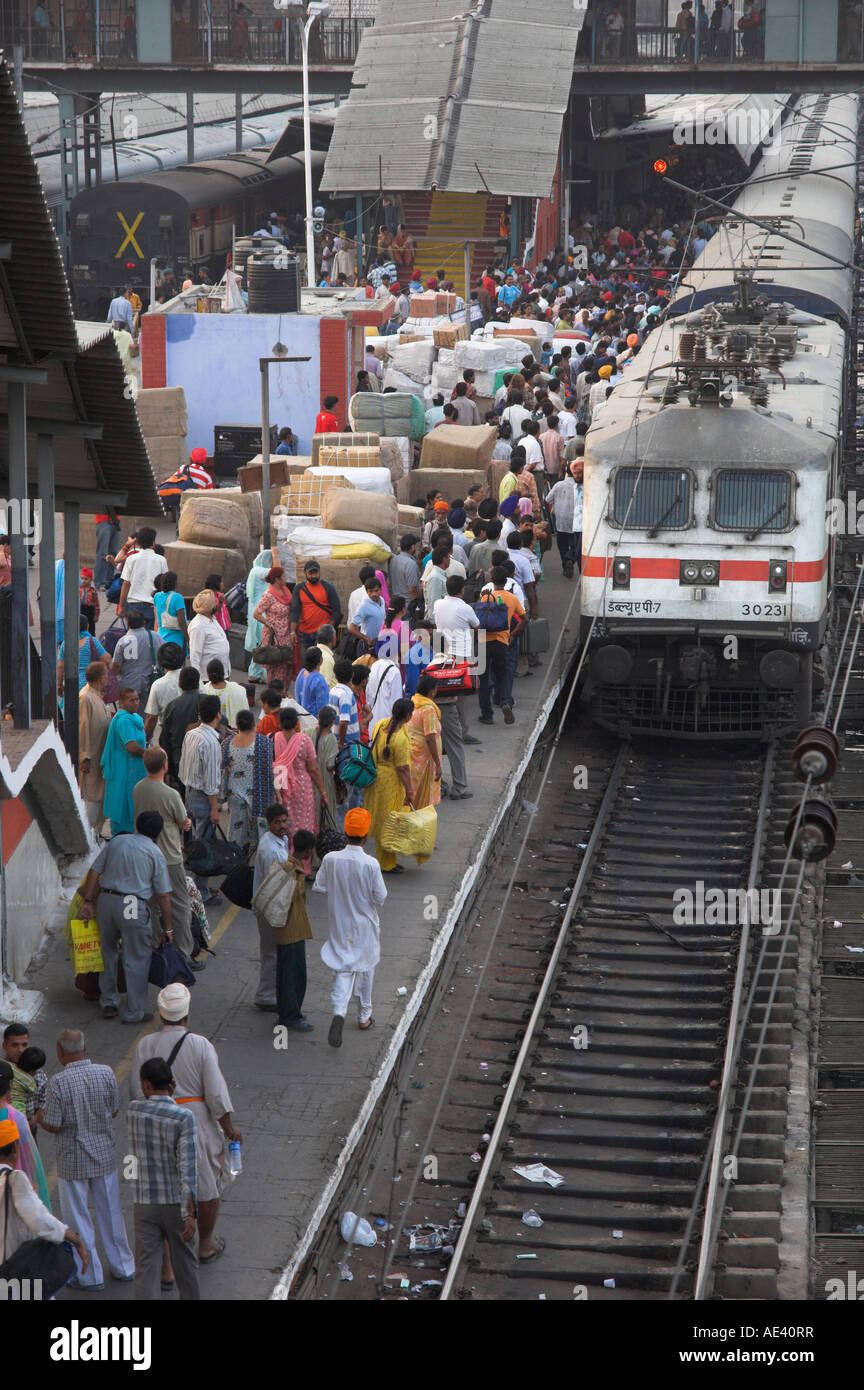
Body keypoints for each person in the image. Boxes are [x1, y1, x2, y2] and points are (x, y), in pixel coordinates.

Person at [131, 984, 239, 1267]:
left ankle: (166, 1264)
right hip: (196, 1120)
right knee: (206, 1185)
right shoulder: (200, 1045)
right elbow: (215, 1093)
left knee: (165, 1187)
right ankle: (204, 1245)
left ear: (161, 1014)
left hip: (156, 1120)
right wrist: (228, 1127)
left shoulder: (144, 1045)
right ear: (186, 1015)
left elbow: (135, 1090)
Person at [41, 1029, 135, 1290]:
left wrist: (38, 1116)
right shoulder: (105, 1072)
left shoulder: (57, 1082)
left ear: (60, 1053)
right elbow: (114, 1109)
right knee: (112, 1213)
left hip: (72, 1160)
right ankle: (124, 1266)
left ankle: (89, 1275)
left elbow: (54, 1124)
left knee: (78, 1218)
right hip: (103, 1154)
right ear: (84, 1048)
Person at [79, 811, 172, 1023]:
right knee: (136, 958)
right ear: (158, 832)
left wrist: (88, 901)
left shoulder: (117, 842)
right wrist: (168, 928)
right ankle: (133, 1012)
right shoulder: (154, 852)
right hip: (132, 905)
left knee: (108, 952)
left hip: (107, 902)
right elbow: (164, 895)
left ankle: (109, 1001)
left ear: (137, 825)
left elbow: (94, 871)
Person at [313, 808, 387, 1048]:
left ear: (346, 833)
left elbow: (320, 886)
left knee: (344, 968)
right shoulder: (371, 864)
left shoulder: (330, 859)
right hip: (364, 926)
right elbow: (380, 897)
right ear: (365, 836)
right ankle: (364, 1016)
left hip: (340, 925)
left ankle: (339, 1010)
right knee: (366, 968)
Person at [128, 1057, 199, 1302]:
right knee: (186, 1267)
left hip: (144, 1202)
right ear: (172, 1083)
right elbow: (187, 1167)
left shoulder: (134, 1111)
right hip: (174, 1204)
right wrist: (189, 1212)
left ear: (146, 1085)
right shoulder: (184, 1117)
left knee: (146, 1269)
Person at [133, 748, 198, 969]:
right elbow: (182, 820)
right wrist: (187, 823)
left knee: (150, 904)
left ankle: (152, 948)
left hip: (144, 855)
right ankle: (183, 953)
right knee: (180, 904)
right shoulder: (170, 794)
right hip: (169, 856)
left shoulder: (138, 789)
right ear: (165, 766)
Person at [0, 1114, 88, 1276]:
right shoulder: (15, 1179)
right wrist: (74, 1238)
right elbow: (39, 1219)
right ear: (15, 1149)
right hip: (11, 1267)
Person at [179, 694, 223, 905]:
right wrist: (215, 808)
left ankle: (196, 887)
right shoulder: (211, 742)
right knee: (203, 847)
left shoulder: (191, 734)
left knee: (195, 842)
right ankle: (201, 892)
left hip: (189, 793)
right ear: (218, 715)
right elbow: (211, 781)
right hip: (204, 798)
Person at [363, 698, 416, 874]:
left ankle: (387, 859)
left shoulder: (380, 725)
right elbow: (403, 769)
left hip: (377, 778)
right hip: (391, 782)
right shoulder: (400, 739)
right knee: (389, 822)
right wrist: (410, 790)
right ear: (408, 716)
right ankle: (386, 863)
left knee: (381, 820)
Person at [477, 566, 526, 726]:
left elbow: (478, 618)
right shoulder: (512, 598)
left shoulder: (485, 598)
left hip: (484, 641)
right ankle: (505, 701)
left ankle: (487, 715)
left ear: (492, 581)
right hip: (502, 642)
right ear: (506, 581)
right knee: (502, 675)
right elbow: (525, 619)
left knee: (483, 679)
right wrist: (513, 634)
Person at [220, 708, 273, 854]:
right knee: (260, 836)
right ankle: (256, 868)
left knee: (236, 835)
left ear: (237, 724)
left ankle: (237, 866)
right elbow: (271, 770)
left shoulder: (227, 743)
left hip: (235, 796)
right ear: (253, 723)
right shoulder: (264, 743)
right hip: (258, 797)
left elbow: (223, 772)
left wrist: (220, 797)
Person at [273, 706, 327, 841]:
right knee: (304, 824)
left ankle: (284, 856)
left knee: (283, 824)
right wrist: (323, 792)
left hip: (280, 787)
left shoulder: (274, 739)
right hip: (302, 788)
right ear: (297, 723)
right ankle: (303, 858)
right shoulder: (304, 740)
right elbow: (314, 770)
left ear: (280, 723)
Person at [100, 686, 147, 834]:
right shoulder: (124, 721)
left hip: (134, 769)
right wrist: (150, 755)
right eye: (131, 700)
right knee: (125, 805)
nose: (135, 703)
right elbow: (132, 747)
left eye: (137, 699)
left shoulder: (135, 718)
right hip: (125, 770)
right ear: (121, 702)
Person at [78, 660, 111, 830]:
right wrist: (85, 756)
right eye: (106, 674)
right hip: (91, 759)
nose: (108, 678)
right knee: (92, 794)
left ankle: (96, 832)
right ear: (100, 677)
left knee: (100, 794)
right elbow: (83, 728)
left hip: (101, 756)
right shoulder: (85, 697)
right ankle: (89, 832)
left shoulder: (96, 696)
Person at [288, 559, 342, 655]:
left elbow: (337, 611)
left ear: (319, 572)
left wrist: (328, 628)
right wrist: (292, 632)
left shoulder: (328, 587)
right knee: (307, 665)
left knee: (323, 663)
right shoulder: (299, 589)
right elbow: (294, 611)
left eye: (315, 572)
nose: (313, 576)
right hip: (304, 634)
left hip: (323, 635)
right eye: (310, 573)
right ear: (305, 573)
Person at [252, 566, 294, 689]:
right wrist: (267, 623)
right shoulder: (268, 595)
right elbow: (256, 613)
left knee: (285, 665)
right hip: (273, 636)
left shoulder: (286, 591)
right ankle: (274, 693)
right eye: (284, 576)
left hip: (285, 634)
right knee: (274, 665)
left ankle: (283, 692)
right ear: (277, 579)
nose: (286, 578)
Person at [117, 526, 166, 628]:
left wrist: (121, 606)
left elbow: (126, 584)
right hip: (153, 606)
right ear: (153, 543)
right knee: (151, 640)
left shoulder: (131, 559)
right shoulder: (161, 560)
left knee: (135, 639)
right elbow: (164, 585)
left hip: (134, 606)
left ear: (138, 543)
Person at [160, 666, 201, 787]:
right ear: (198, 684)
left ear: (180, 684)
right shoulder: (207, 701)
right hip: (204, 758)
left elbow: (165, 740)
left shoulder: (172, 706)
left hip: (179, 760)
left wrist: (168, 771)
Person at [408, 673, 443, 809]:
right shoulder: (428, 709)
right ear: (432, 691)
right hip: (424, 759)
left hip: (413, 754)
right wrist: (438, 765)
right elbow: (430, 738)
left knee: (413, 792)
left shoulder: (413, 702)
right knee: (421, 798)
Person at [111, 610, 164, 697]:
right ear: (144, 623)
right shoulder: (155, 636)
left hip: (128, 684)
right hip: (149, 683)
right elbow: (165, 652)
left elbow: (116, 665)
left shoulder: (123, 641)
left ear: (128, 623)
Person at [547, 459, 583, 577]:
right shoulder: (580, 486)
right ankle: (570, 560)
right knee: (574, 545)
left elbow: (548, 499)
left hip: (561, 521)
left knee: (562, 545)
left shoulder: (558, 485)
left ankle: (565, 564)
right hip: (575, 523)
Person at [143, 642, 186, 740]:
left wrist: (146, 740)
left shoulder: (158, 685)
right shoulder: (194, 677)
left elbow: (151, 717)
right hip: (193, 731)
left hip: (169, 733)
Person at [187, 589, 231, 680]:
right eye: (214, 603)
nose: (216, 605)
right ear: (209, 607)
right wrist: (196, 680)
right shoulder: (198, 626)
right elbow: (195, 653)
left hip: (222, 673)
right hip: (208, 678)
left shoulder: (212, 619)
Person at [202, 657, 248, 728]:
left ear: (208, 675)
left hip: (212, 732)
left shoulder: (204, 691)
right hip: (234, 731)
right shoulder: (238, 689)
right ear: (223, 673)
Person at [348, 576, 386, 653]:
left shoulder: (382, 600)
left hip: (381, 644)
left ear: (381, 589)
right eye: (370, 591)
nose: (374, 594)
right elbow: (351, 627)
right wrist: (366, 638)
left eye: (376, 591)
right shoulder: (364, 606)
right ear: (366, 591)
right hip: (368, 646)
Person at [313, 705, 339, 821]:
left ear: (318, 718)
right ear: (332, 722)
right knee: (326, 816)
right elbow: (330, 766)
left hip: (310, 779)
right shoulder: (331, 739)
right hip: (325, 781)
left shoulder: (308, 732)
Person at [365, 649, 403, 727]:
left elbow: (368, 694)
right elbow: (397, 702)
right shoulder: (394, 671)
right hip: (387, 723)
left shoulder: (374, 666)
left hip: (372, 721)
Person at [154, 570, 187, 649]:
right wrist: (188, 638)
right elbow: (181, 621)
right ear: (175, 583)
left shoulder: (157, 596)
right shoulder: (177, 597)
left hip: (161, 637)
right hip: (175, 639)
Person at [295, 645, 331, 717]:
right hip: (313, 720)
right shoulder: (319, 680)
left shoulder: (301, 673)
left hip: (301, 716)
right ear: (321, 660)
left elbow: (297, 697)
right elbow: (322, 707)